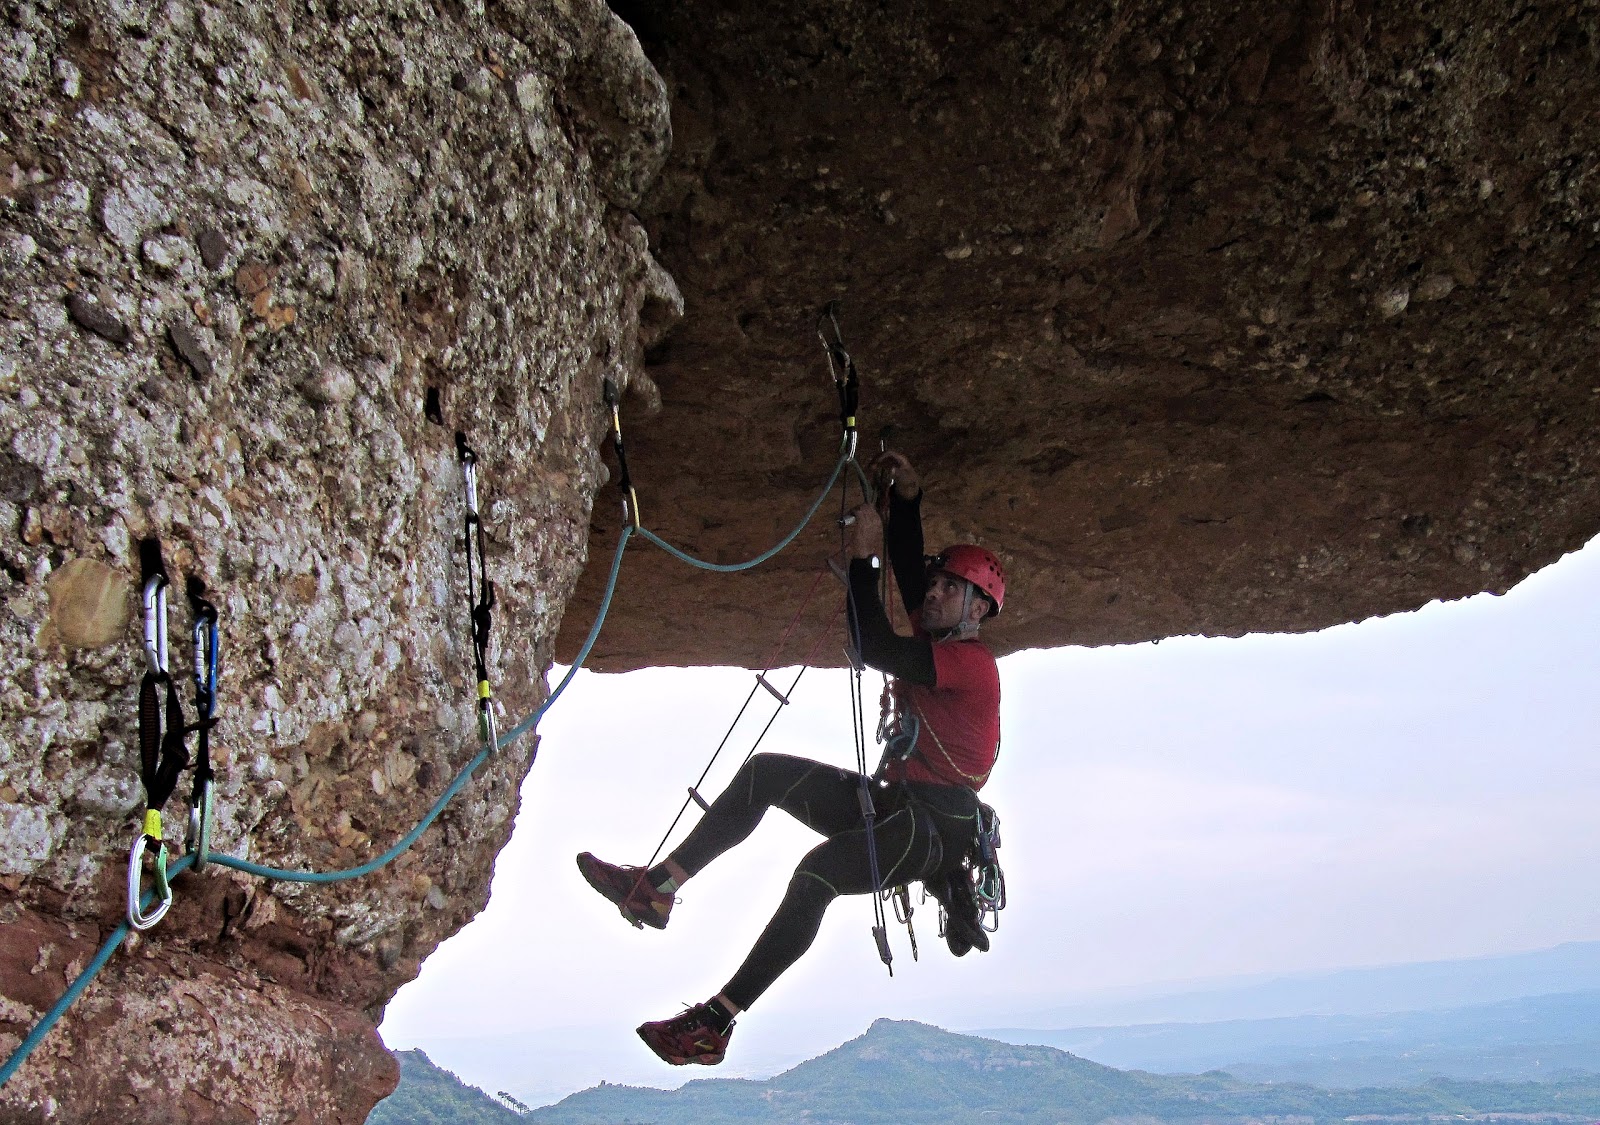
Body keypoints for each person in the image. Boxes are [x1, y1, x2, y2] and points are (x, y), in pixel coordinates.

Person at [575, 450, 1007, 1066]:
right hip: (903, 805)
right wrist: (907, 500)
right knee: (767, 774)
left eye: (950, 588)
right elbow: (911, 571)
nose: (934, 593)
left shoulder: (971, 665)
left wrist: (865, 558)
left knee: (816, 876)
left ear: (978, 608)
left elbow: (873, 645)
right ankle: (657, 889)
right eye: (938, 585)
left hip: (935, 825)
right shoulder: (940, 634)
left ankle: (715, 1024)